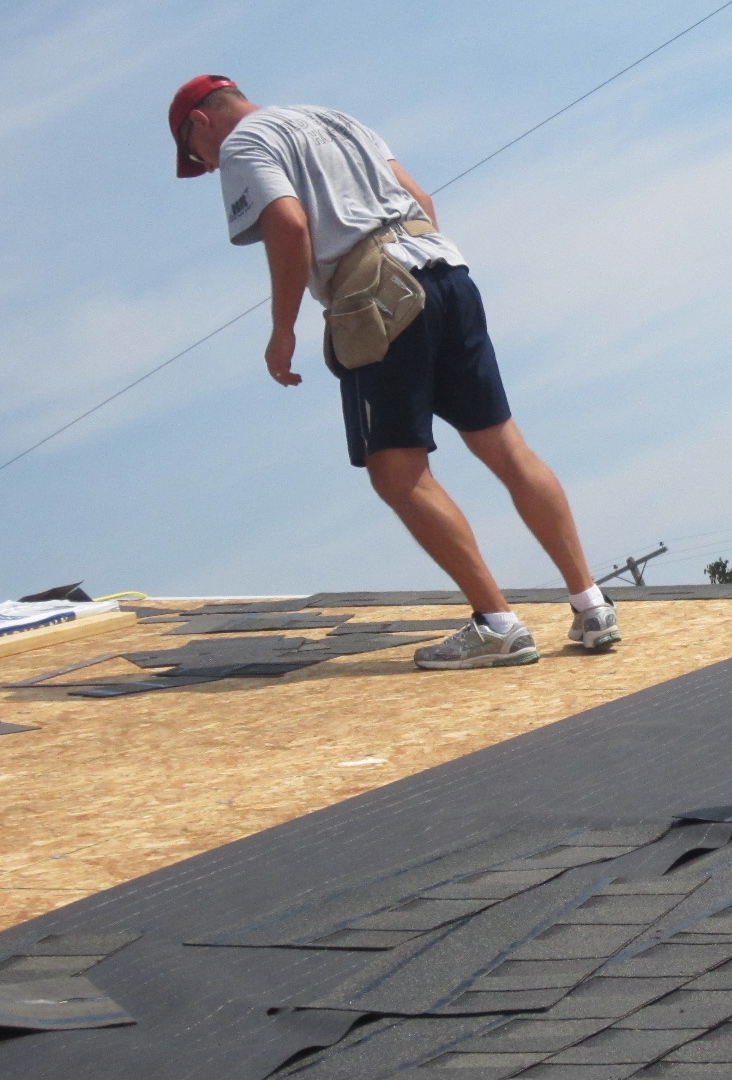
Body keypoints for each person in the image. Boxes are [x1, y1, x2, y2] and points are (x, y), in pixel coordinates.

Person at [168, 74, 620, 668]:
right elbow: (421, 199)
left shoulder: (243, 143)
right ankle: (592, 605)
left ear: (200, 123)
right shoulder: (333, 116)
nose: (204, 166)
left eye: (195, 154)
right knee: (505, 446)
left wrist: (285, 329)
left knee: (397, 472)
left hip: (376, 293)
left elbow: (289, 224)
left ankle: (497, 624)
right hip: (445, 270)